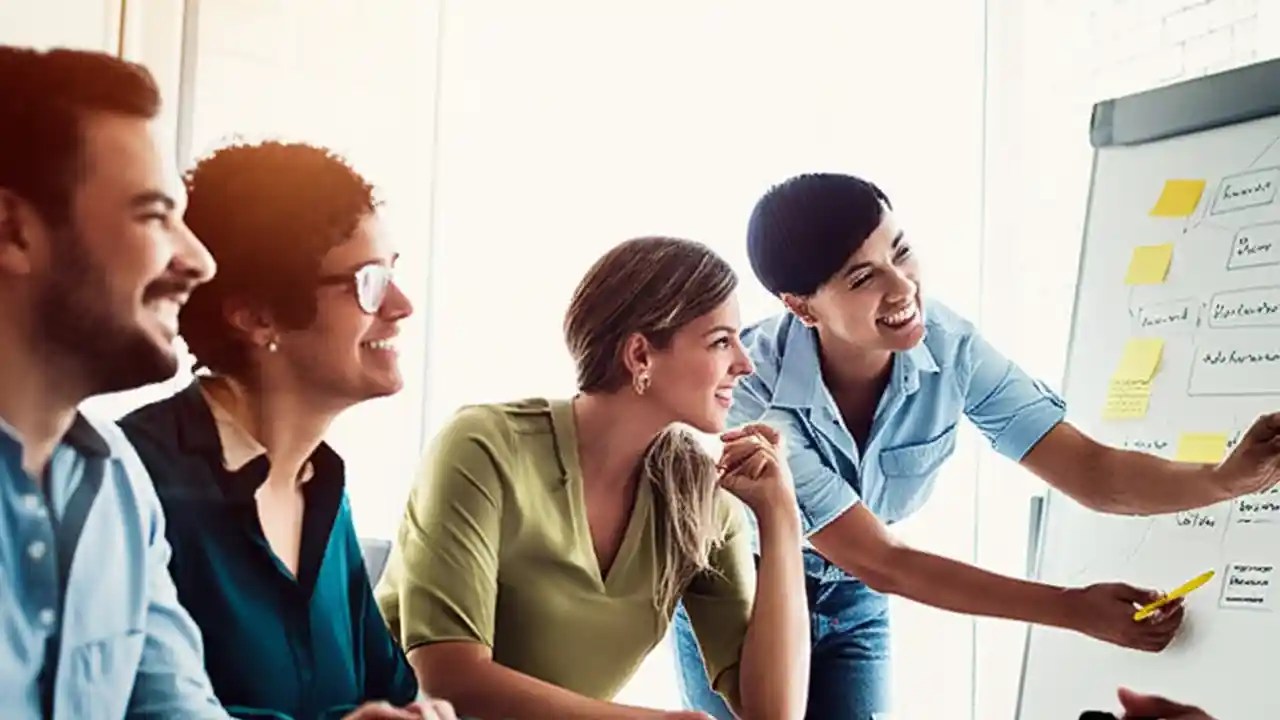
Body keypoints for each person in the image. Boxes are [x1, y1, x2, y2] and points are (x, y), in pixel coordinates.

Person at [673, 172, 1280, 719]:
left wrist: (1225, 480)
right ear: (801, 307)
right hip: (744, 590)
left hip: (853, 598)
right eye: (863, 277)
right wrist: (1073, 609)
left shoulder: (951, 345)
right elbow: (884, 560)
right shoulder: (749, 393)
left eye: (901, 251)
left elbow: (1092, 471)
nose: (901, 286)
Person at [375, 236, 810, 719]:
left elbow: (773, 714)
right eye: (721, 341)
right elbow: (449, 676)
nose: (745, 364)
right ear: (640, 355)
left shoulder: (701, 502)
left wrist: (780, 517)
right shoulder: (484, 446)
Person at [116, 142, 454, 720]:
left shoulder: (323, 486)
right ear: (256, 316)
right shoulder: (131, 478)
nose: (401, 305)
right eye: (368, 281)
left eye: (392, 273)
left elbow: (392, 690)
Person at [0, 43, 229, 719]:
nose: (201, 261)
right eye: (154, 215)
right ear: (13, 231)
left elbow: (174, 708)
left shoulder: (119, 484)